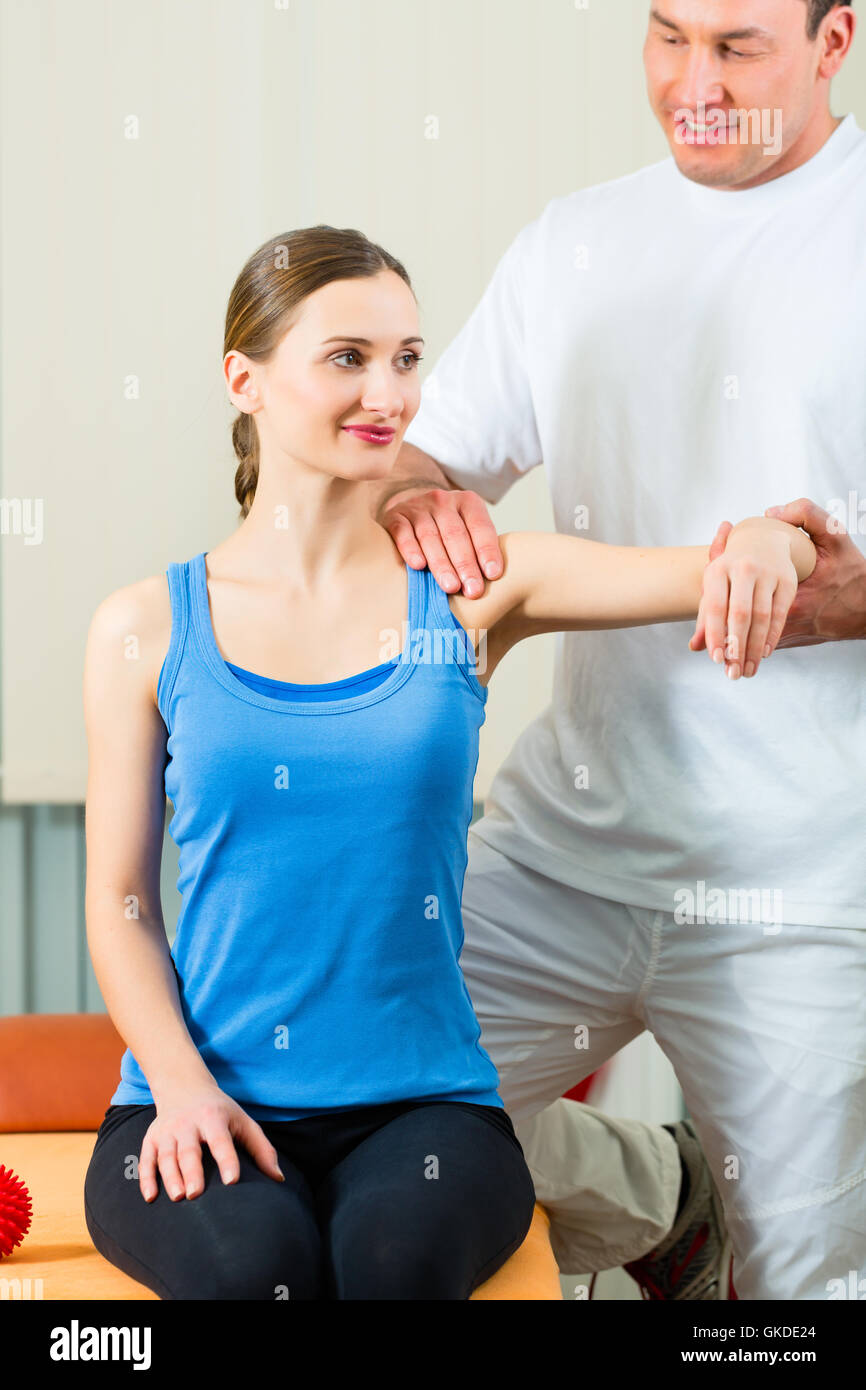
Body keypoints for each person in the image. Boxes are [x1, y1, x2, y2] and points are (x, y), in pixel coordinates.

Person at [81, 224, 814, 1301]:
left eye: (407, 357)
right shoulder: (146, 627)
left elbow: (730, 562)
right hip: (196, 1088)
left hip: (423, 1109)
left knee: (393, 1271)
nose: (389, 391)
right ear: (243, 378)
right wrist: (182, 1088)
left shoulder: (472, 589)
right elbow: (120, 901)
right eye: (347, 357)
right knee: (257, 1276)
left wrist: (762, 542)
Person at [375, 0, 866, 1301]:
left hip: (801, 882)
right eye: (665, 36)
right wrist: (414, 491)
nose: (688, 81)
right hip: (567, 845)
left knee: (798, 1283)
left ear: (834, 43)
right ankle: (656, 1196)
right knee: (351, 1103)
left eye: (735, 46)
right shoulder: (578, 243)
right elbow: (422, 452)